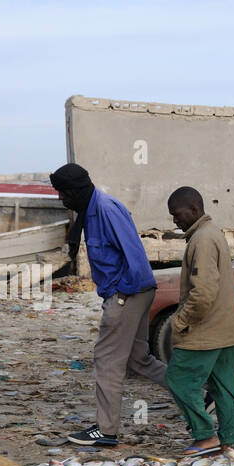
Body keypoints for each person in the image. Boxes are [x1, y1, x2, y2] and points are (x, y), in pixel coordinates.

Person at [52, 163, 167, 448]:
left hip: (127, 294)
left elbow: (135, 257)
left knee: (106, 359)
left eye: (63, 193)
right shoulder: (91, 210)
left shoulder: (105, 209)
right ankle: (199, 395)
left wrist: (120, 295)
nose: (60, 199)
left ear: (76, 190)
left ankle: (106, 430)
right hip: (131, 292)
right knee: (139, 360)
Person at [164, 187, 234, 456]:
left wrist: (180, 321)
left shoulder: (202, 239)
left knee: (178, 379)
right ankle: (230, 440)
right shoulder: (212, 233)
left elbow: (203, 292)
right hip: (225, 328)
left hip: (206, 330)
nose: (174, 220)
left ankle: (205, 435)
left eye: (177, 214)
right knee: (224, 387)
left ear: (194, 210)